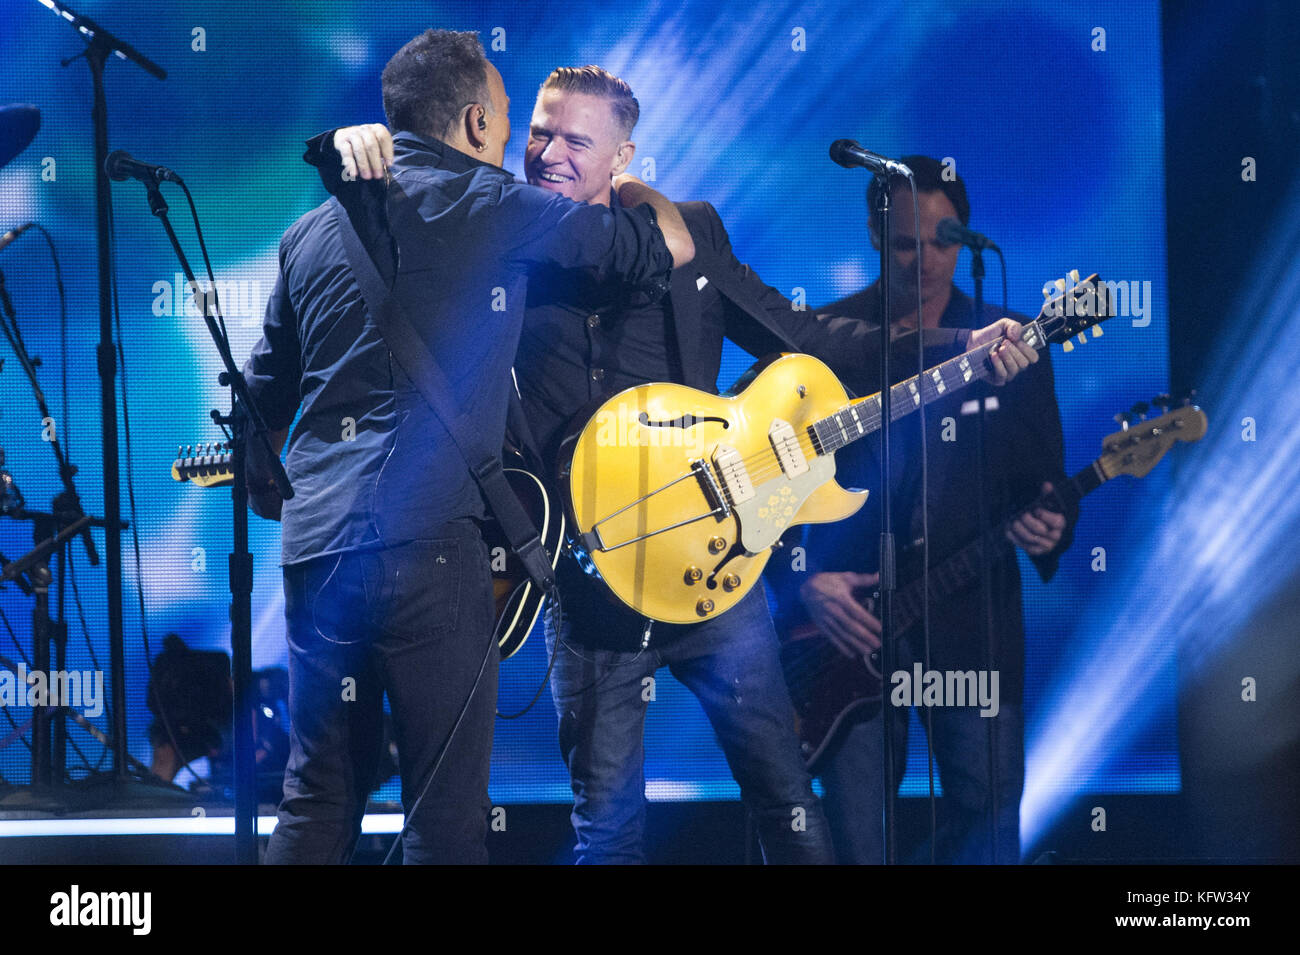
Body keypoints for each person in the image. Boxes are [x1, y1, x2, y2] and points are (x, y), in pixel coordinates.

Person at [320, 73, 1037, 864]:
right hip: (595, 589)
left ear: (624, 156)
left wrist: (952, 347)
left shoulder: (689, 233)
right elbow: (402, 239)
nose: (547, 153)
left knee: (784, 794)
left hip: (719, 572)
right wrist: (370, 154)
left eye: (575, 141)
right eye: (539, 133)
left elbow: (801, 335)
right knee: (610, 824)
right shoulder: (496, 242)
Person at [243, 31, 693, 865]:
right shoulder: (493, 205)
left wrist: (282, 490)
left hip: (315, 556)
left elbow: (260, 406)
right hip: (428, 554)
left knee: (317, 799)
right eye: (516, 121)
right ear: (479, 120)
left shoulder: (307, 236)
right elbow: (659, 253)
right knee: (444, 817)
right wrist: (637, 185)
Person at [784, 156, 1077, 863]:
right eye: (906, 242)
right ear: (874, 236)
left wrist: (1053, 522)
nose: (925, 260)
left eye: (943, 241)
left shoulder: (1012, 338)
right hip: (845, 632)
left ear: (967, 239)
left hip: (970, 616)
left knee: (987, 817)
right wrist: (801, 581)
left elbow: (1048, 477)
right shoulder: (824, 336)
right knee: (860, 839)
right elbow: (763, 476)